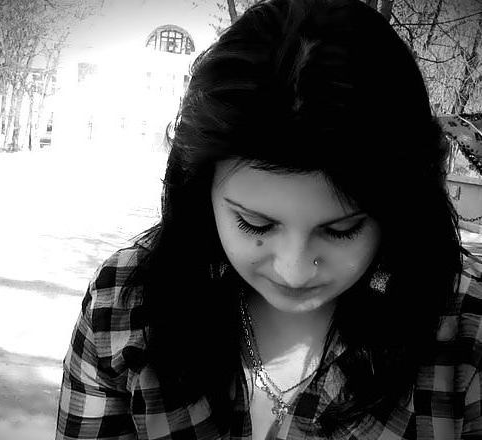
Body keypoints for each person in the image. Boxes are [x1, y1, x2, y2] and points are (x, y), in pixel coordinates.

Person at [55, 0, 482, 438]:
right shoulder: (124, 306)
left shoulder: (467, 329)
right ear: (199, 190)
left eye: (341, 230)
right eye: (255, 225)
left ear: (400, 208)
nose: (294, 271)